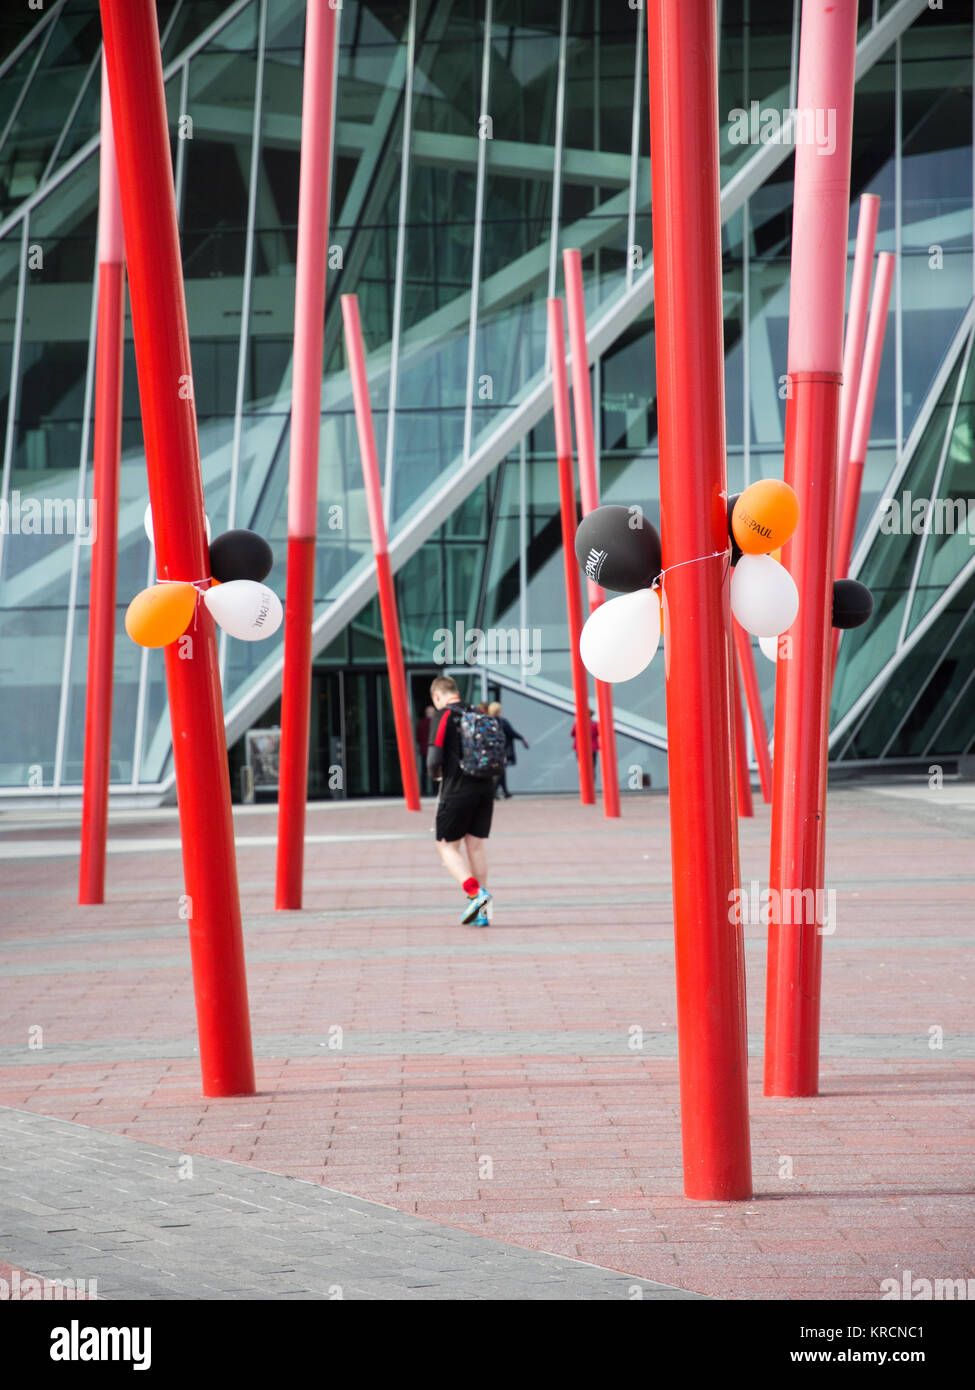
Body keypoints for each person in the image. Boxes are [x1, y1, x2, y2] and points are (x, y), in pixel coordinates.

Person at [428, 675, 498, 927]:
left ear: (438, 696)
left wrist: (435, 776)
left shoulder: (444, 715)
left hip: (457, 789)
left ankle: (475, 894)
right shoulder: (478, 712)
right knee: (475, 846)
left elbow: (433, 757)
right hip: (485, 787)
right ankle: (482, 912)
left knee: (445, 845)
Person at [487, 701, 528, 799]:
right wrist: (522, 738)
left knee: (501, 771)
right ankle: (493, 792)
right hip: (503, 750)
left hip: (493, 750)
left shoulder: (488, 722)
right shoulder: (502, 722)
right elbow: (512, 732)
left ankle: (505, 792)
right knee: (500, 772)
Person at [570, 709, 599, 779]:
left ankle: (584, 781)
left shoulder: (578, 724)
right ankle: (592, 782)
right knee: (592, 766)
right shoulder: (594, 724)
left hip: (580, 747)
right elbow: (598, 733)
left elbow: (572, 734)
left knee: (582, 766)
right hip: (592, 748)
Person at [415, 704, 435, 795]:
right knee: (434, 770)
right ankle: (435, 790)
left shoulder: (420, 723)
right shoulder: (436, 723)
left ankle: (423, 790)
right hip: (434, 749)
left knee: (424, 771)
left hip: (424, 750)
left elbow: (418, 738)